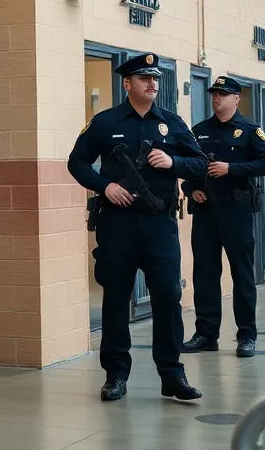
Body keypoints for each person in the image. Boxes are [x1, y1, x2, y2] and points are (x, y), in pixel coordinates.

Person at [68, 52, 208, 403]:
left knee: (167, 297)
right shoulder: (105, 121)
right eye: (144, 78)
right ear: (127, 83)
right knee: (116, 298)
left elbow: (200, 165)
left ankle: (172, 375)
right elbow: (77, 161)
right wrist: (105, 186)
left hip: (159, 224)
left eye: (155, 78)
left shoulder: (172, 123)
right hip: (117, 225)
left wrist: (174, 160)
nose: (152, 84)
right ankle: (115, 375)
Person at [180, 76, 265, 358]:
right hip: (207, 212)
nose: (217, 98)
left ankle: (246, 335)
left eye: (223, 94)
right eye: (214, 94)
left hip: (237, 211)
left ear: (236, 98)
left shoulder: (249, 131)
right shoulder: (198, 131)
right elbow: (187, 168)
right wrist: (192, 188)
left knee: (242, 274)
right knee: (205, 274)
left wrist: (230, 169)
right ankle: (206, 334)